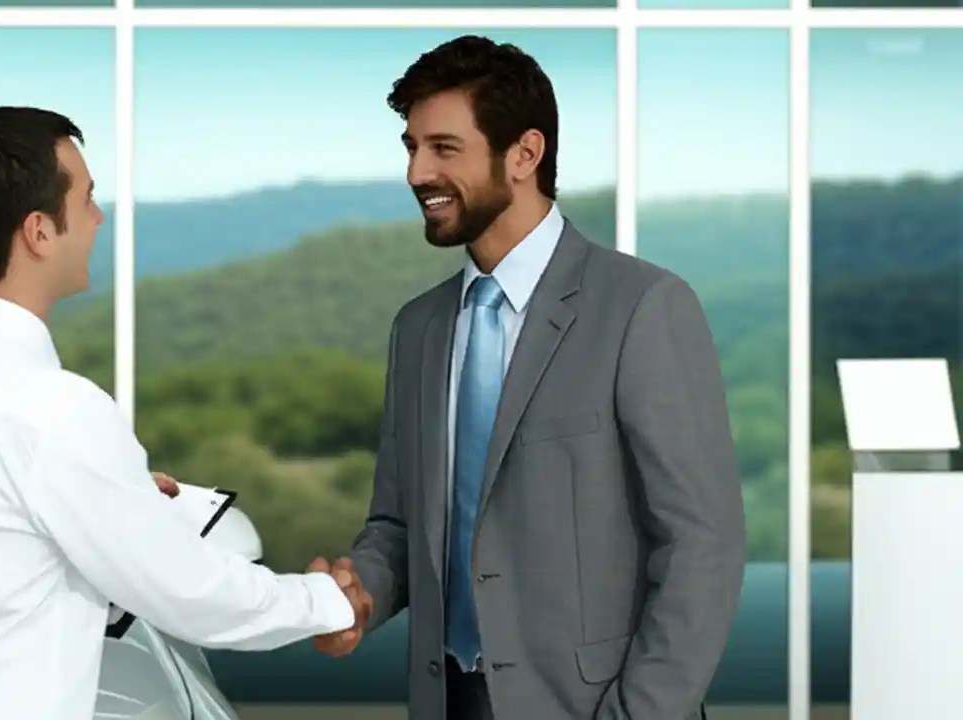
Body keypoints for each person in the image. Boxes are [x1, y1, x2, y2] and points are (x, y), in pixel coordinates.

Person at [0, 106, 367, 720]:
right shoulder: (55, 411)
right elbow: (187, 592)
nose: (98, 218)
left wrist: (111, 514)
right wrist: (327, 601)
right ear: (38, 232)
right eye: (85, 199)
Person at [309, 36, 746, 720]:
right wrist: (356, 591)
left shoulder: (641, 307)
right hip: (446, 699)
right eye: (411, 147)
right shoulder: (417, 329)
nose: (417, 172)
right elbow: (398, 524)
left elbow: (701, 544)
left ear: (525, 154)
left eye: (443, 148)